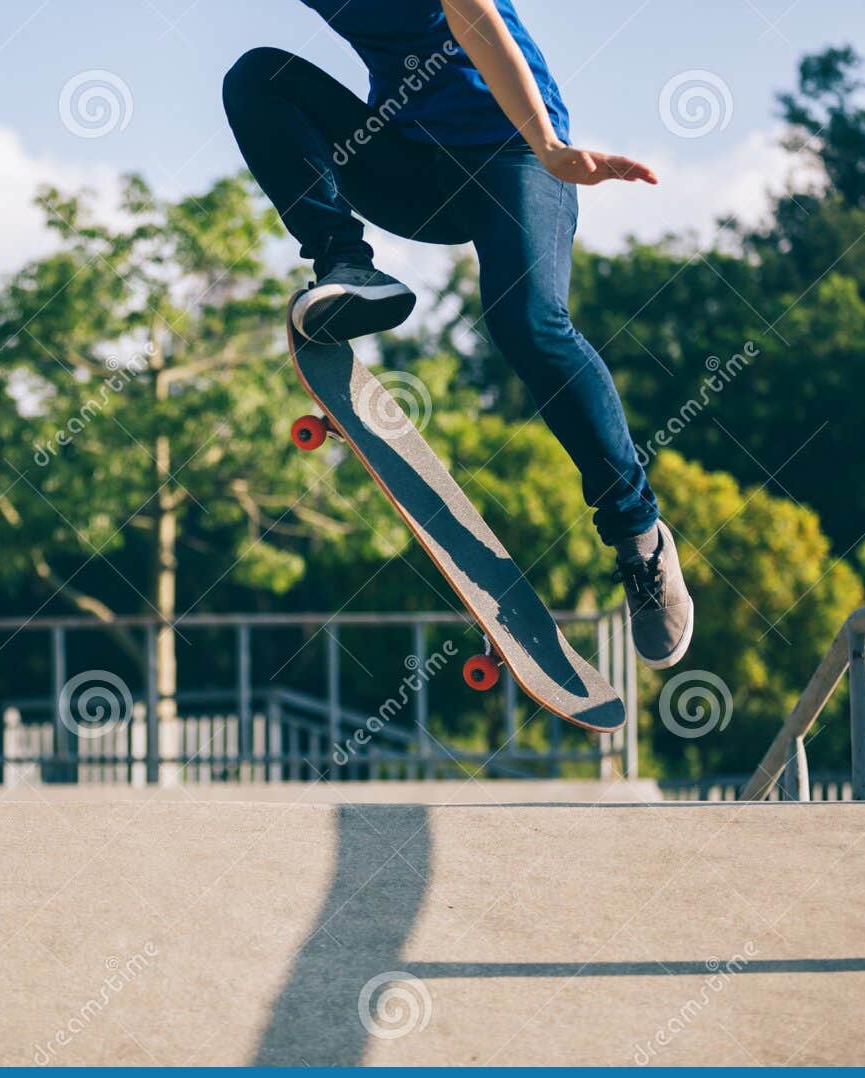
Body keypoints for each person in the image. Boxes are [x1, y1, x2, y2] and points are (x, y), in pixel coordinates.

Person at [222, 0, 693, 669]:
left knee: (527, 322)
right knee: (255, 77)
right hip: (412, 166)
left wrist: (549, 145)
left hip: (520, 155)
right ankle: (348, 265)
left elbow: (475, 19)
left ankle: (639, 535)